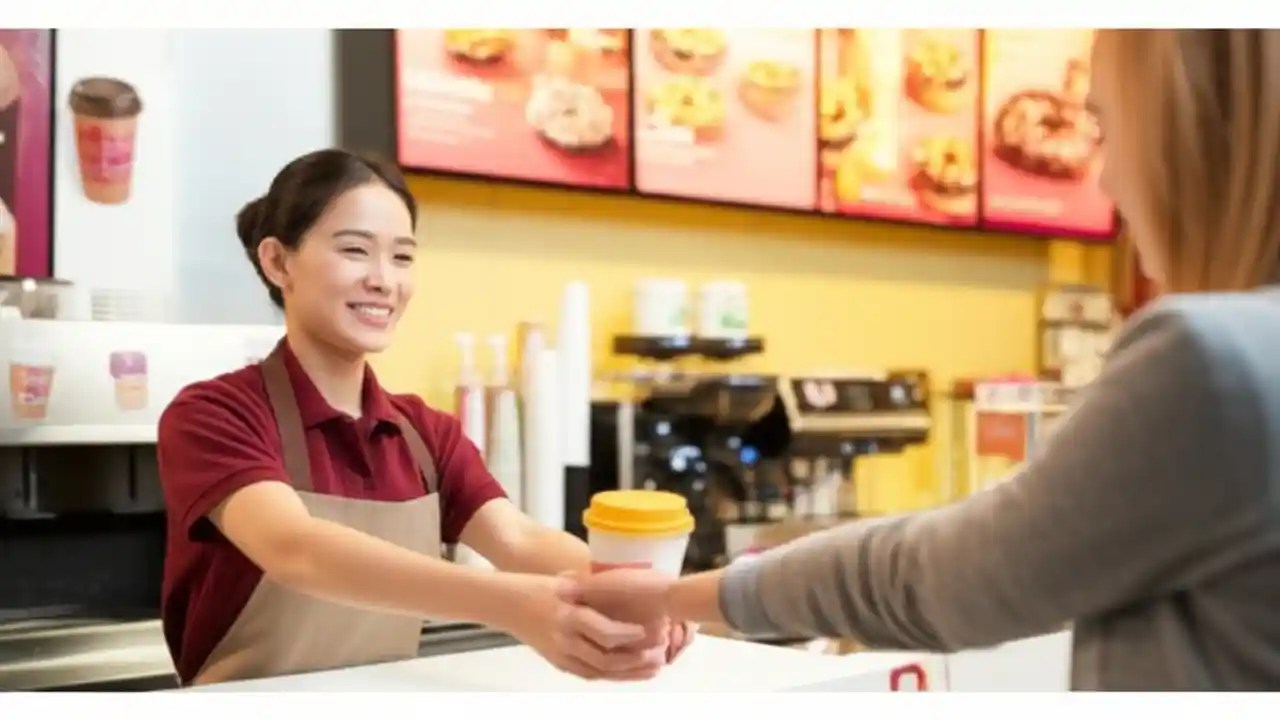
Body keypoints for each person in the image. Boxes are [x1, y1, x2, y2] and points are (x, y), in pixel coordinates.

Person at [566, 29, 1280, 691]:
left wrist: (677, 595)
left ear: (1195, 130)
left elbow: (947, 579)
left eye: (1109, 128)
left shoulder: (1215, 363)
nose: (1108, 182)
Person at [155, 148, 691, 687]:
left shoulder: (424, 434)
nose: (384, 281)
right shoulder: (213, 416)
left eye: (403, 257)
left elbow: (520, 541)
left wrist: (645, 592)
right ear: (278, 262)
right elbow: (296, 549)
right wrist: (513, 604)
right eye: (355, 250)